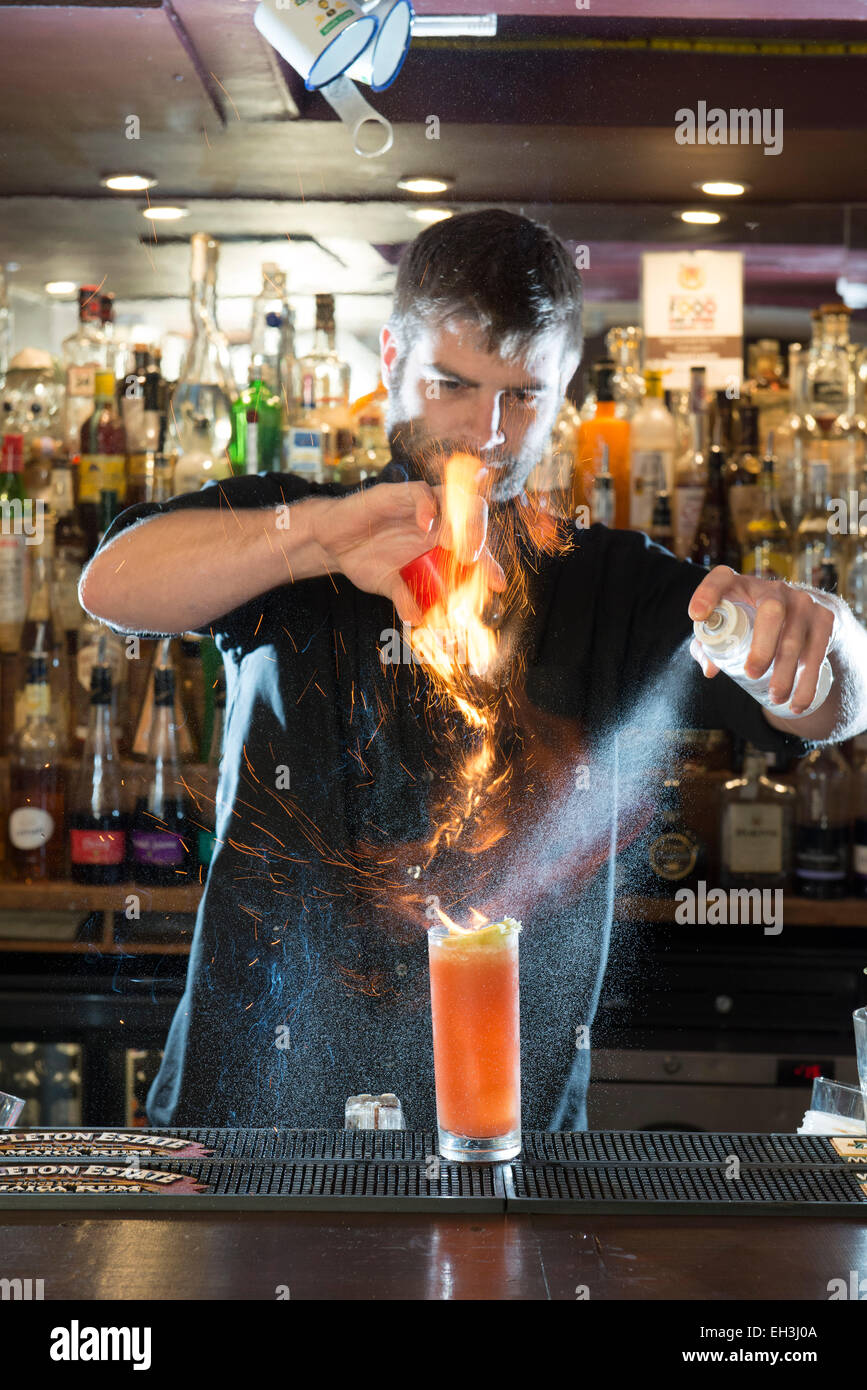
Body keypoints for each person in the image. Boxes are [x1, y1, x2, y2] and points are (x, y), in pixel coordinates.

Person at [79, 210, 867, 1132]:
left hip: (503, 1142)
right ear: (390, 361)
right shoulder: (290, 530)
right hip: (244, 1118)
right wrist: (319, 538)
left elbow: (833, 708)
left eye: (522, 396)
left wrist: (826, 634)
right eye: (450, 383)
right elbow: (112, 582)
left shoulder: (605, 582)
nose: (485, 433)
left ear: (565, 388)